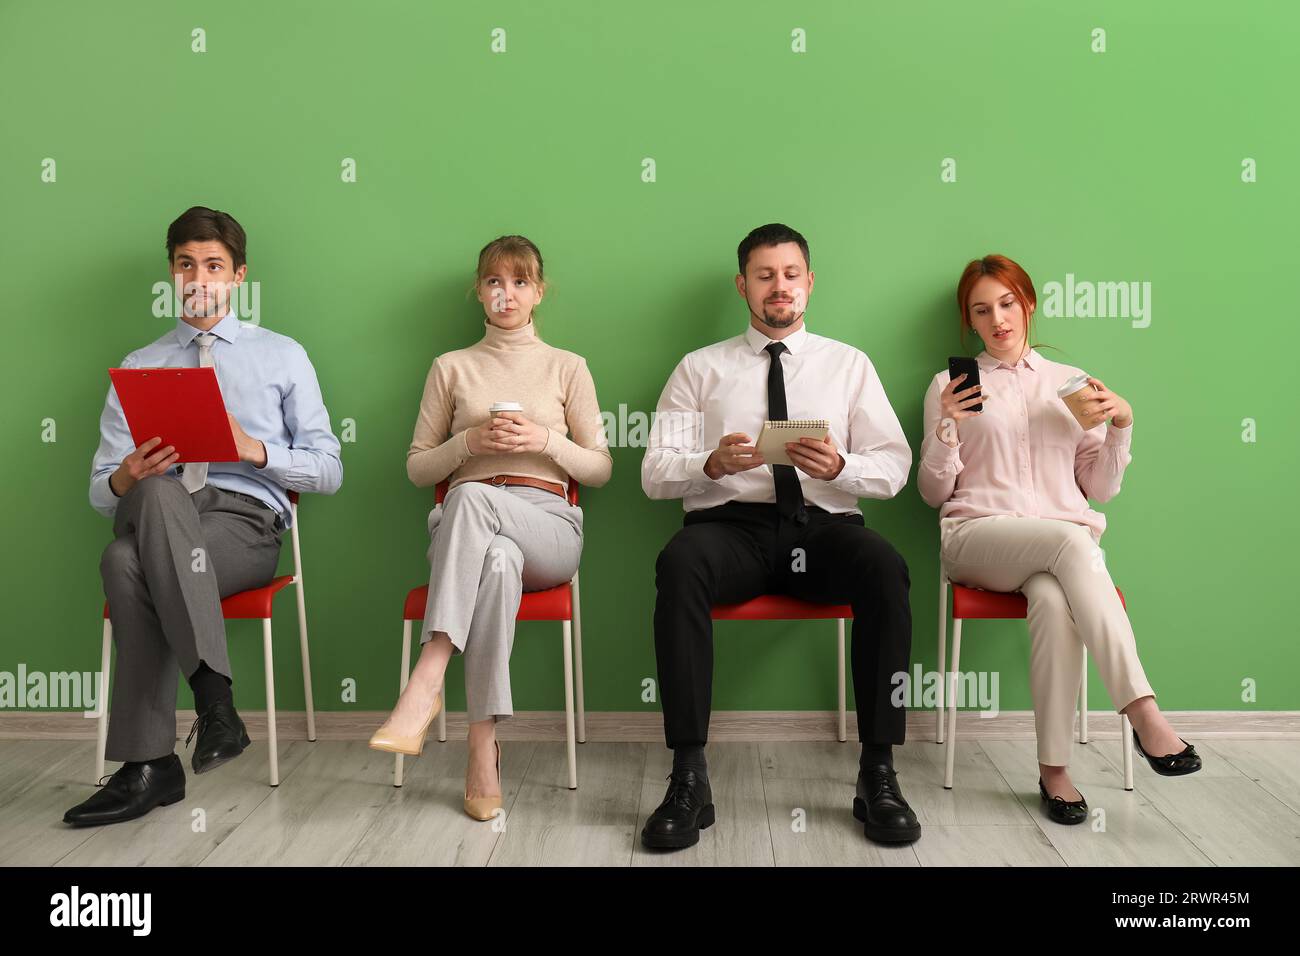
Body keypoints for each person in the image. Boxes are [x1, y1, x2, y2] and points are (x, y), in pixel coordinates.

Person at [640, 223, 919, 849]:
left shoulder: (849, 365)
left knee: (884, 565)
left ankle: (878, 772)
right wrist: (710, 463)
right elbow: (654, 473)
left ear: (810, 283)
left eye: (791, 274)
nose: (779, 287)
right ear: (743, 285)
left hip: (822, 530)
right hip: (728, 532)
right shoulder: (698, 368)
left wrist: (842, 467)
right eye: (764, 275)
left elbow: (896, 465)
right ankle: (689, 775)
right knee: (679, 562)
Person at [65, 206, 343, 827]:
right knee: (160, 494)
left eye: (213, 265)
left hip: (242, 526)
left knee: (121, 562)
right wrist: (128, 475)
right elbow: (99, 492)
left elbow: (330, 469)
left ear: (238, 276)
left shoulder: (282, 356)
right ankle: (215, 704)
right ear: (171, 272)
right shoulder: (138, 365)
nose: (198, 277)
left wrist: (255, 450)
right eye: (186, 264)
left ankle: (150, 766)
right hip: (158, 507)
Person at [918, 253, 1202, 826]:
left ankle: (1054, 772)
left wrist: (1121, 424)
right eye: (981, 310)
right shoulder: (950, 385)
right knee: (1075, 544)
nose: (997, 319)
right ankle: (1143, 712)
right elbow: (931, 492)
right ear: (968, 322)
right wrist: (948, 425)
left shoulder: (1067, 385)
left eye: (1006, 304)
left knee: (1052, 596)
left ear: (1028, 305)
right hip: (977, 539)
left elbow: (1098, 487)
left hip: (1054, 554)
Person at [369, 235, 612, 821]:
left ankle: (427, 678)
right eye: (495, 282)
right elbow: (417, 466)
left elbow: (601, 469)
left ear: (538, 292)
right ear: (478, 291)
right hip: (468, 533)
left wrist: (545, 441)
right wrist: (468, 443)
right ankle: (483, 750)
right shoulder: (450, 368)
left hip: (550, 526)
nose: (507, 294)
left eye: (520, 282)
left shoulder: (567, 367)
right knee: (496, 557)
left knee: (476, 499)